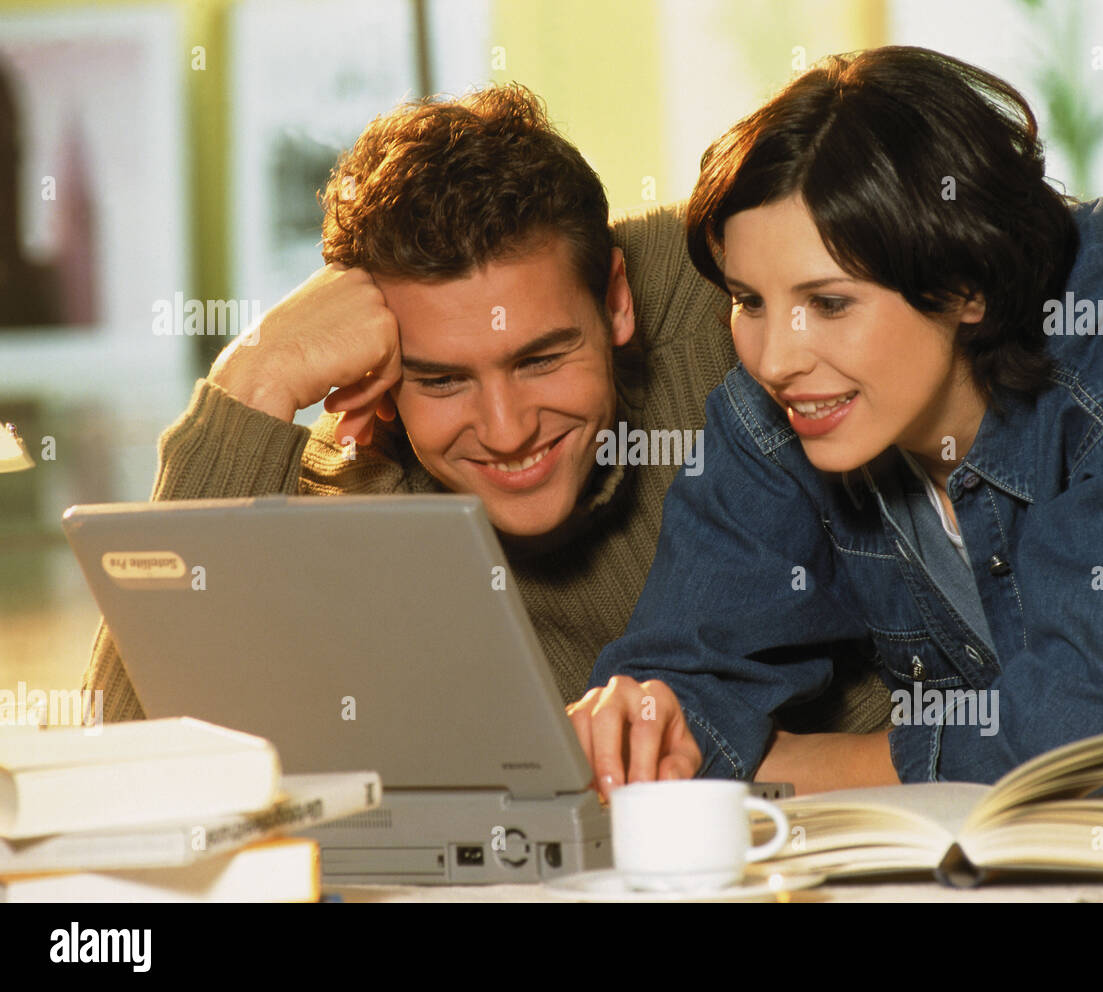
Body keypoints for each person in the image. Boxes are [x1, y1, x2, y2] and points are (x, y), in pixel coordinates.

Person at [568, 46, 1103, 798]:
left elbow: (1091, 727)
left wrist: (803, 766)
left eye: (829, 303)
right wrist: (643, 719)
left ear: (965, 285)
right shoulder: (789, 400)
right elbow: (682, 686)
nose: (776, 359)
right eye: (750, 300)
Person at [82, 83, 893, 741]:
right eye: (441, 381)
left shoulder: (738, 300)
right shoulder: (362, 465)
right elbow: (132, 763)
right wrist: (252, 382)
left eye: (541, 360)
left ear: (616, 298)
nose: (507, 432)